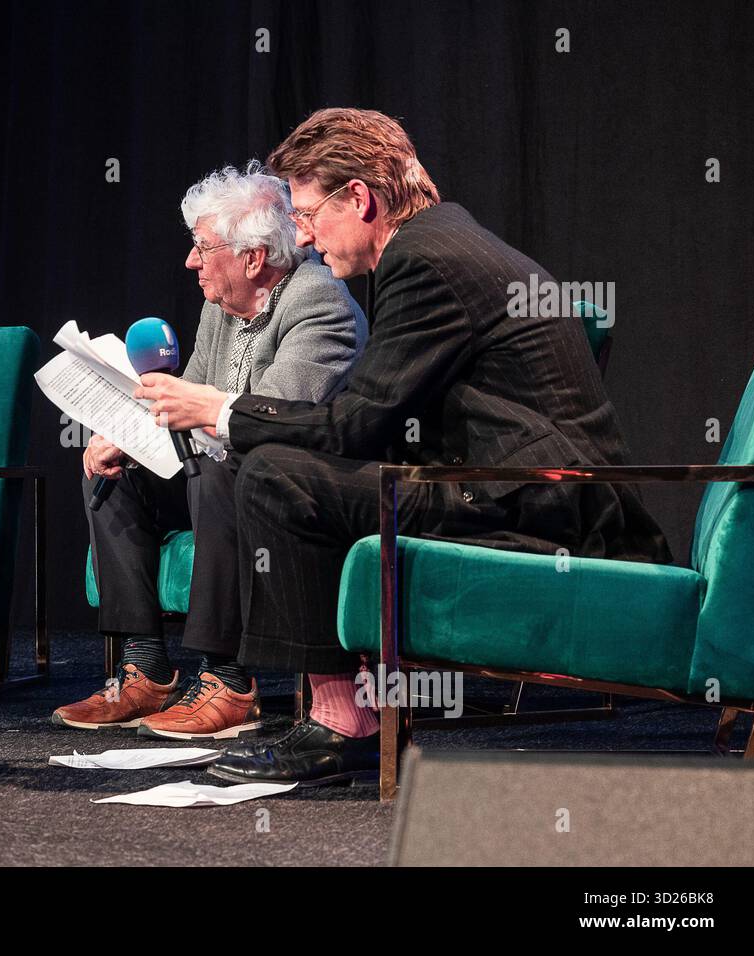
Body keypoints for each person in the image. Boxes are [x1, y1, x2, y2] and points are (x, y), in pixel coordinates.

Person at [135, 109, 672, 782]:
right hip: (527, 489)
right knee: (289, 463)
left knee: (277, 475)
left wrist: (224, 410)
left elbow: (356, 424)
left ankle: (342, 724)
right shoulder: (436, 241)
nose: (299, 236)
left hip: (541, 509)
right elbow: (372, 417)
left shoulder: (424, 259)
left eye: (306, 214)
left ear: (360, 198)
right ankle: (355, 703)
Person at [52, 162, 367, 740]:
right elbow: (185, 408)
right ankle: (144, 667)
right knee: (110, 473)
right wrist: (123, 434)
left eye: (203, 247)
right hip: (217, 479)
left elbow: (277, 417)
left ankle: (229, 681)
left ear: (252, 258)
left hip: (292, 494)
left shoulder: (320, 306)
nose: (191, 262)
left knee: (217, 467)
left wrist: (199, 417)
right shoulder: (221, 307)